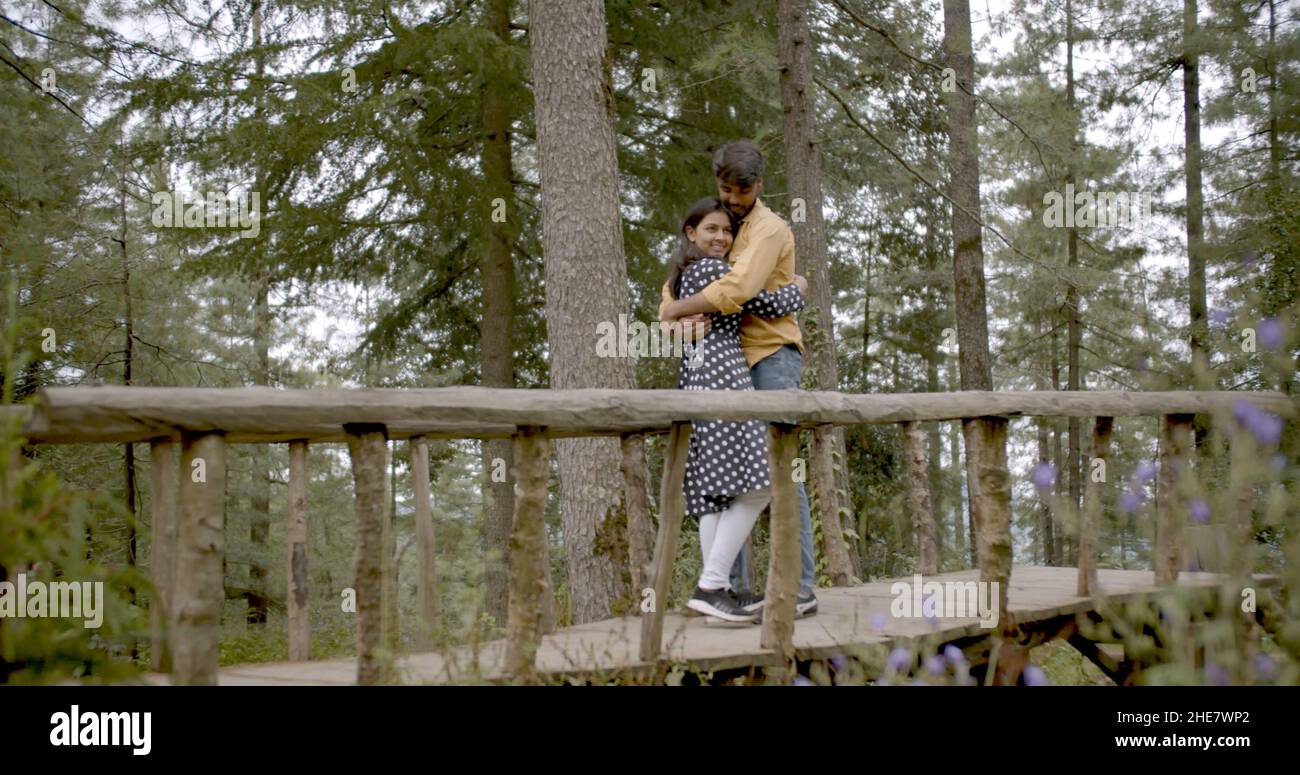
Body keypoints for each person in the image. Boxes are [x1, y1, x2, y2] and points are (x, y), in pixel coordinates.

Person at [660, 140, 819, 618]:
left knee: (776, 472)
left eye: (741, 190)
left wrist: (676, 309)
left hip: (769, 356)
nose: (732, 199)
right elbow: (678, 284)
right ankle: (725, 588)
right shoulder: (716, 227)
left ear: (759, 185)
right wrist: (669, 316)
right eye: (725, 190)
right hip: (725, 364)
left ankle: (798, 588)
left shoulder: (769, 228)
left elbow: (738, 289)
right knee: (732, 476)